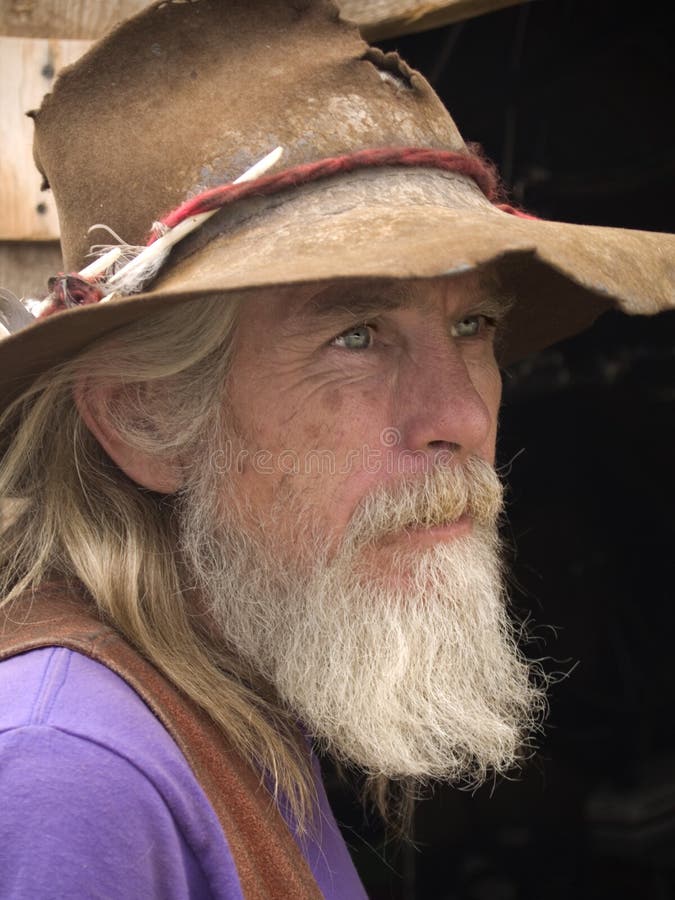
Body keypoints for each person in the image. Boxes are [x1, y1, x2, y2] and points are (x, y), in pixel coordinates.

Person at [0, 1, 672, 897]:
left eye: (471, 323)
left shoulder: (223, 683)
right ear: (143, 420)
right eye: (355, 335)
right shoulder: (71, 773)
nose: (461, 419)